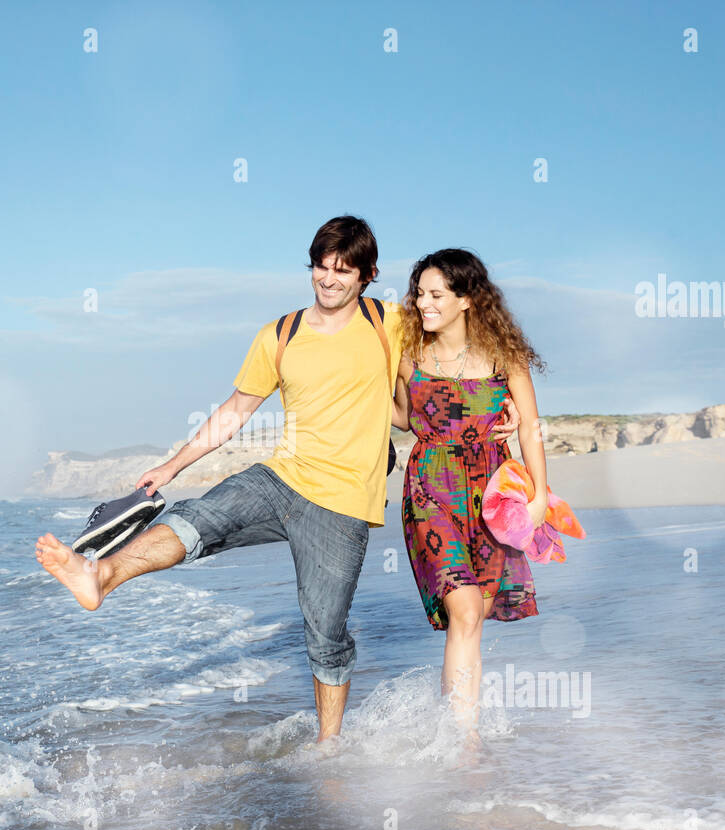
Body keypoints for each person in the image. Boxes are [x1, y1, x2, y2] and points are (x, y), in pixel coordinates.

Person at [35, 216, 516, 742]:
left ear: (367, 275)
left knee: (326, 636)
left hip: (344, 506)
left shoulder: (391, 324)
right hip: (281, 478)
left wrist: (501, 407)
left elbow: (450, 357)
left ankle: (328, 750)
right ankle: (99, 575)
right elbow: (236, 410)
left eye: (342, 270)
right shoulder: (280, 335)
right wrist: (172, 465)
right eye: (320, 267)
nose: (328, 279)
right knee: (198, 518)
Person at [393, 248, 545, 738]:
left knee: (475, 611)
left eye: (436, 294)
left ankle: (463, 730)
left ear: (467, 299)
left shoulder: (505, 356)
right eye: (420, 294)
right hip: (430, 487)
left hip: (492, 493)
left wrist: (541, 495)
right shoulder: (408, 356)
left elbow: (532, 429)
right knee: (461, 605)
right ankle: (462, 739)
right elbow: (403, 417)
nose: (424, 304)